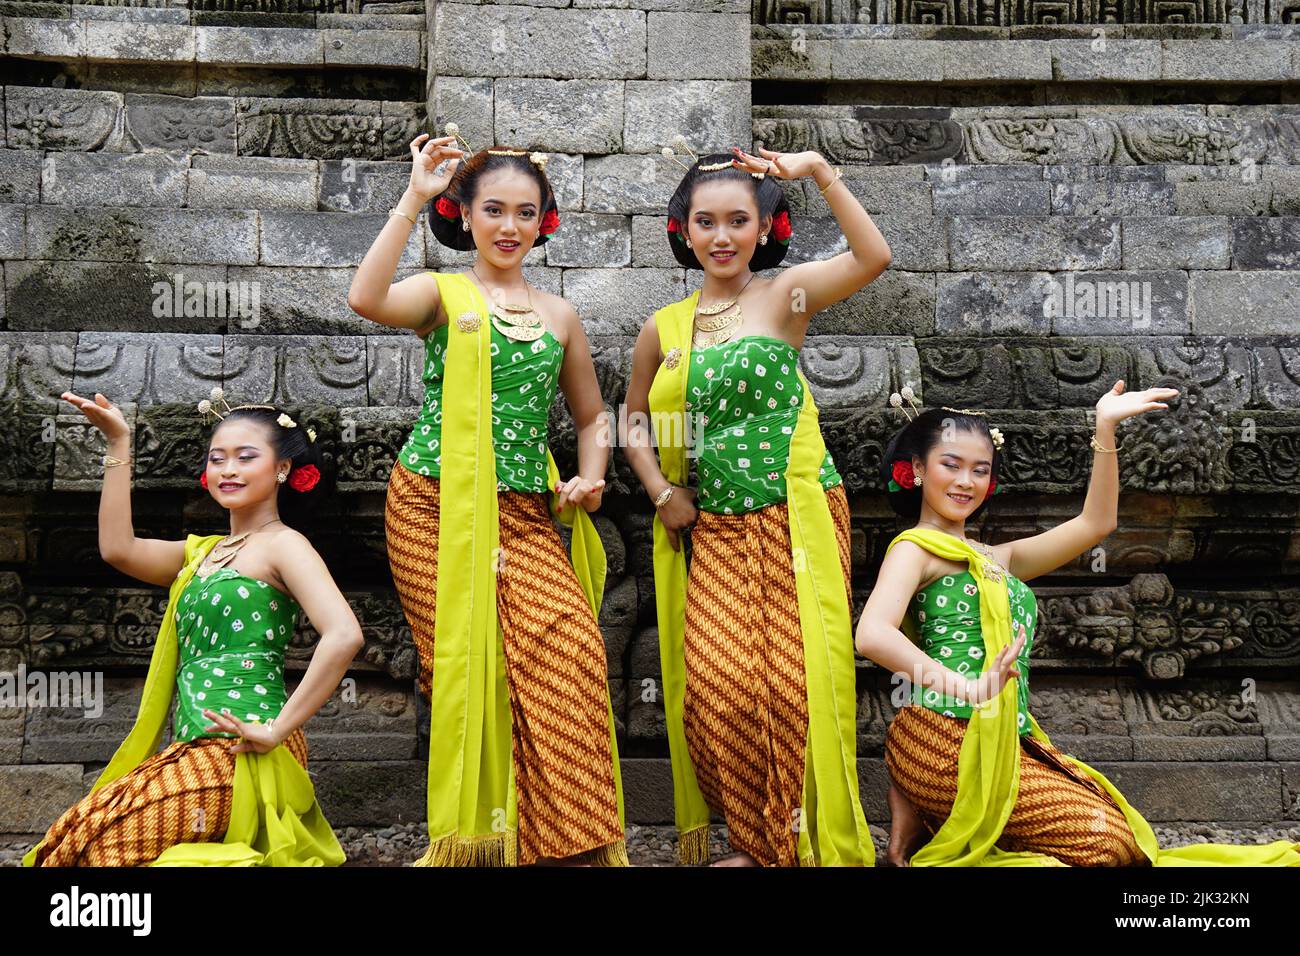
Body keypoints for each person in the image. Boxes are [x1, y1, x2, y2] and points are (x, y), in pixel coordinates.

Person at [857, 382, 1300, 866]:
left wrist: (1104, 428)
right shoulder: (915, 549)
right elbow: (873, 634)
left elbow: (1096, 524)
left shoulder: (996, 558)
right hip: (942, 734)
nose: (966, 481)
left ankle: (932, 828)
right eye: (951, 465)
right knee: (1105, 849)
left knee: (1127, 840)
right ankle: (925, 805)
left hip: (1009, 737)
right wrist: (967, 687)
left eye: (980, 470)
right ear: (918, 470)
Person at [348, 128, 627, 866]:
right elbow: (366, 297)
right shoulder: (444, 295)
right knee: (467, 665)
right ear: (464, 215)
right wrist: (413, 195)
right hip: (432, 500)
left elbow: (592, 417)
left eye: (526, 212)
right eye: (494, 210)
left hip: (526, 511)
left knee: (568, 651)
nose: (509, 226)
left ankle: (567, 842)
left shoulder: (559, 314)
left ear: (545, 222)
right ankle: (485, 839)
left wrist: (591, 471)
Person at [621, 139, 891, 865]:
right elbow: (635, 419)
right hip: (710, 527)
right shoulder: (662, 328)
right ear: (683, 230)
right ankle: (750, 831)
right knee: (716, 688)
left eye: (738, 221)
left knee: (797, 682)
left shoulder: (784, 296)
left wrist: (819, 174)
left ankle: (782, 843)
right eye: (705, 222)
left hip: (793, 511)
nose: (722, 237)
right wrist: (660, 489)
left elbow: (873, 258)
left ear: (763, 229)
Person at [26, 389, 362, 866]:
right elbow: (118, 548)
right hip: (189, 747)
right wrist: (119, 443)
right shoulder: (202, 554)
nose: (228, 469)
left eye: (246, 457)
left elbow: (344, 634)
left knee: (106, 852)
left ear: (282, 469)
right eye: (217, 458)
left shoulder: (284, 546)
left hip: (242, 749)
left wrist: (277, 728)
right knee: (69, 843)